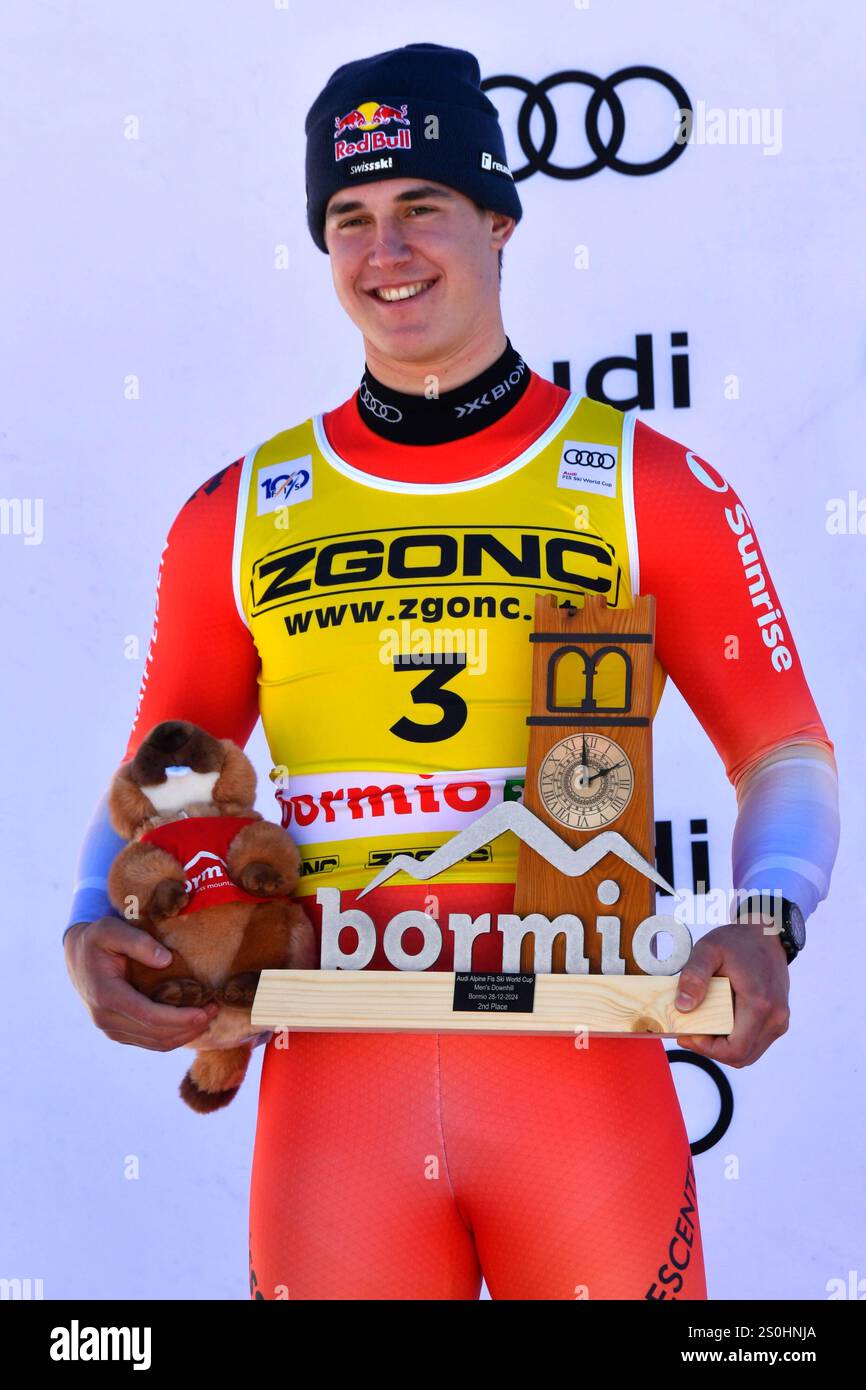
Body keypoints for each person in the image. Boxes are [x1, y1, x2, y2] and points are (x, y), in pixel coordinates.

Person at [63, 42, 840, 1300]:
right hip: (335, 1083)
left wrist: (764, 920)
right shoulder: (241, 509)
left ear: (496, 222)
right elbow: (156, 774)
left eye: (421, 205)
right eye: (349, 219)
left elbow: (784, 753)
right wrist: (84, 917)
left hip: (579, 1073)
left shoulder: (651, 486)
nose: (387, 251)